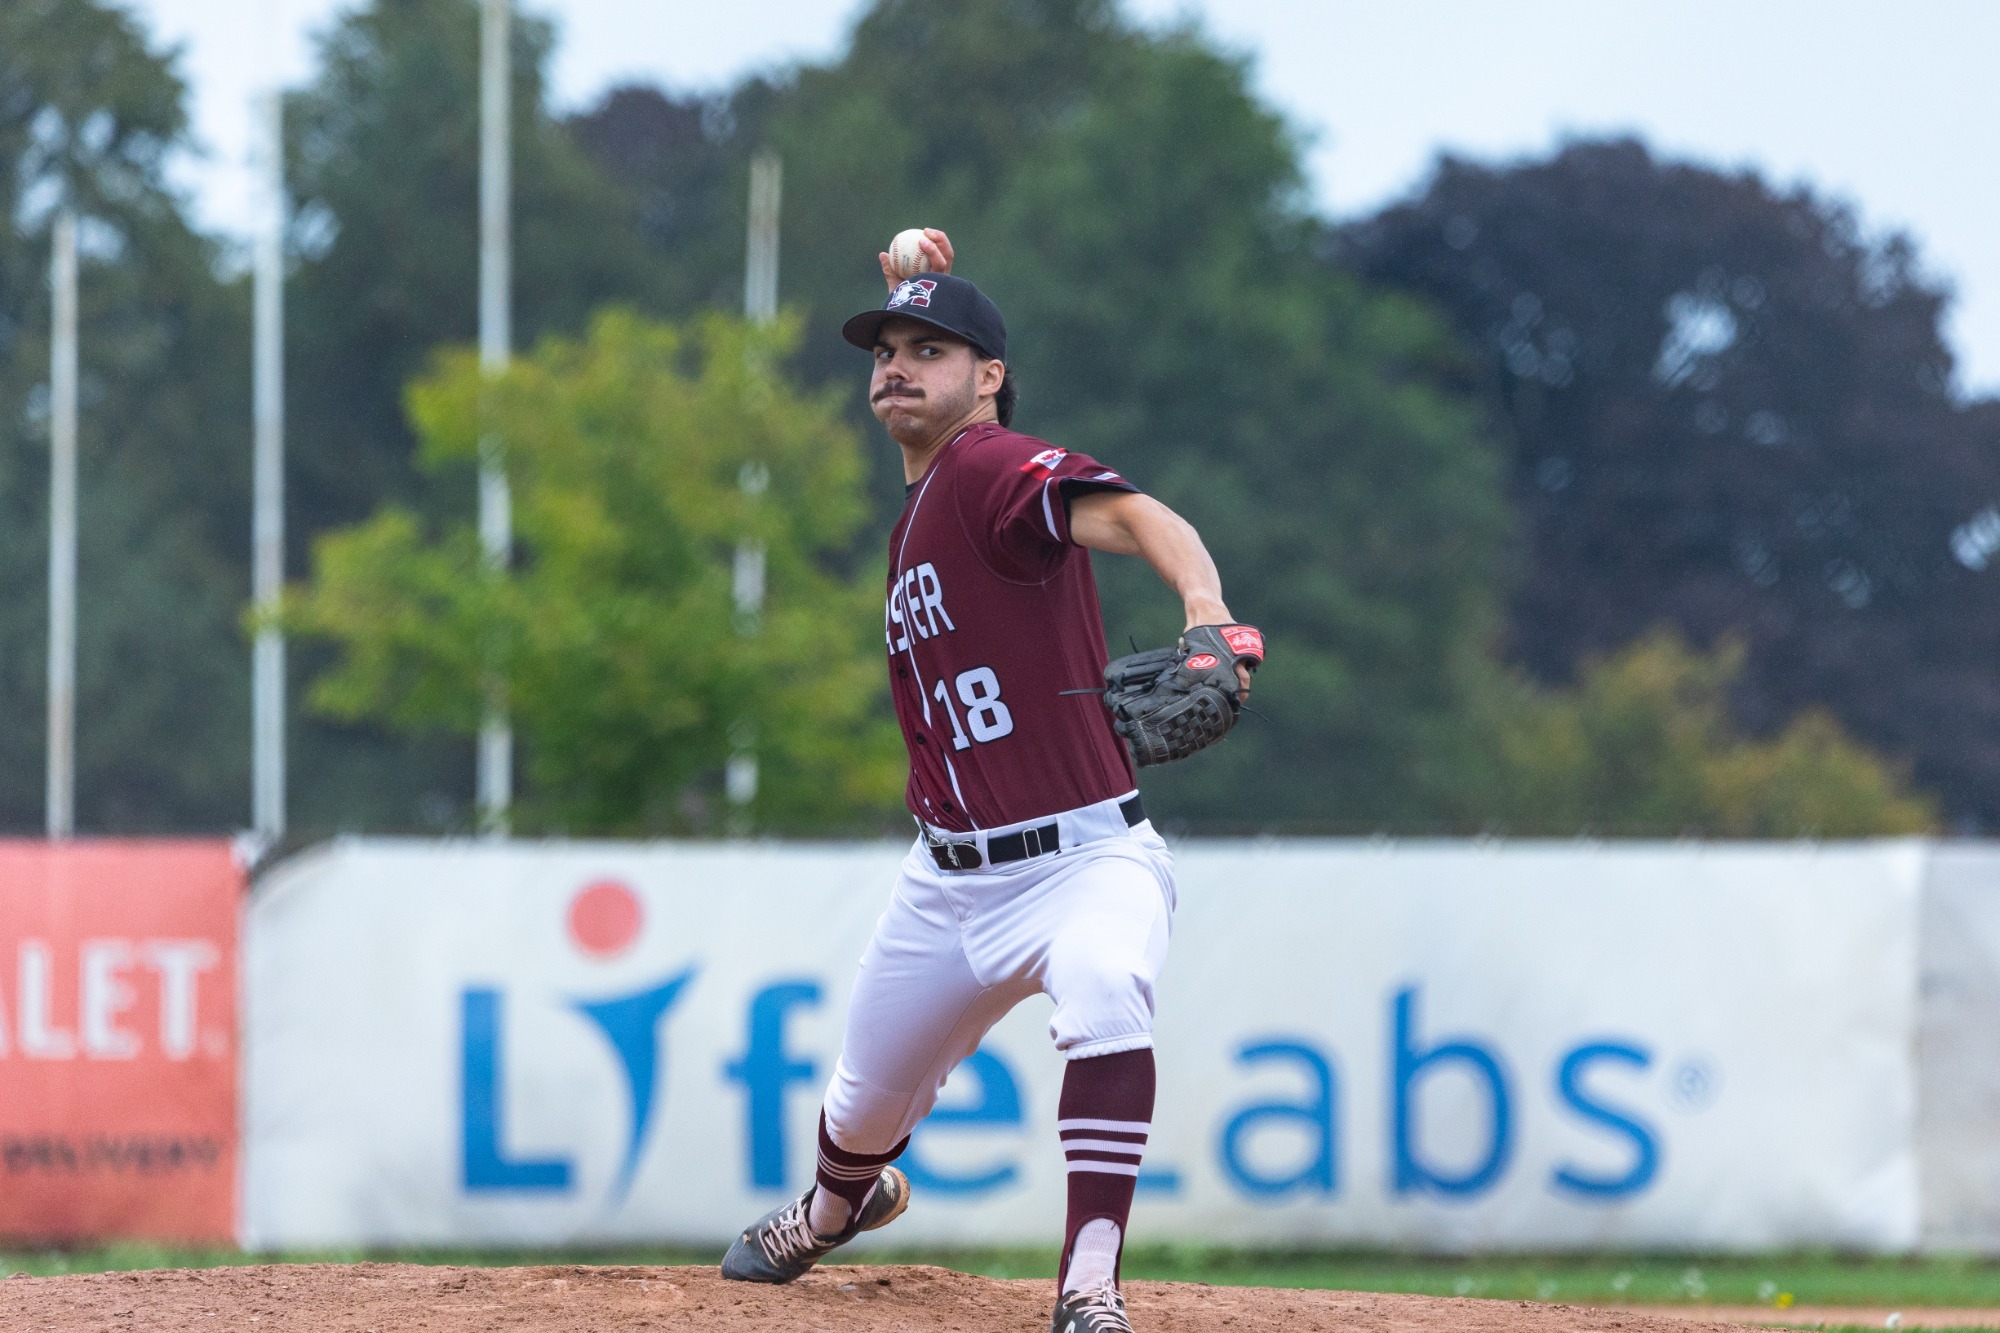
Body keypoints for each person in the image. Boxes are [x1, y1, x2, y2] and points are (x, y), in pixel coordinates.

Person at [721, 230, 1260, 1333]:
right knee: (861, 1104)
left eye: (929, 349)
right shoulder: (924, 501)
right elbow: (932, 360)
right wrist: (915, 297)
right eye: (884, 350)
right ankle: (836, 1207)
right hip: (946, 881)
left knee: (1107, 988)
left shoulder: (989, 466)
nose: (894, 366)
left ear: (990, 379)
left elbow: (1137, 515)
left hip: (1082, 860)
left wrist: (1204, 608)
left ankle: (1089, 1283)